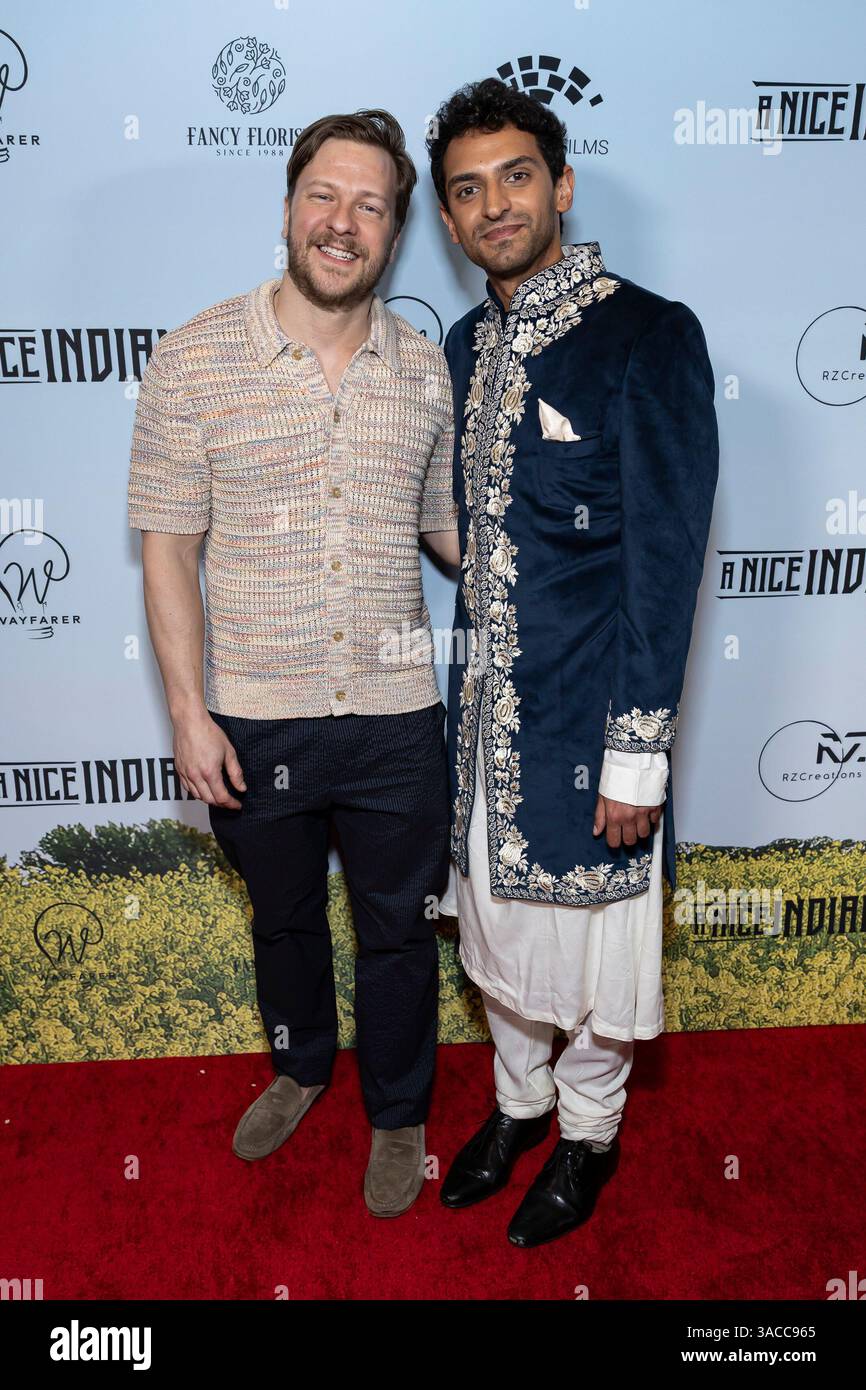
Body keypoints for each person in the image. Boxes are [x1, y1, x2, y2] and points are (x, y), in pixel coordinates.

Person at [127, 110, 460, 1219]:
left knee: (398, 931)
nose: (343, 221)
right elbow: (168, 546)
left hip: (397, 717)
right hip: (255, 720)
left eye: (371, 205)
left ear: (394, 233)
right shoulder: (193, 356)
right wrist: (187, 709)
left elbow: (447, 532)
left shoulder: (425, 372)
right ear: (286, 206)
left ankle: (399, 1112)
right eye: (325, 194)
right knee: (281, 921)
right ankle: (302, 1062)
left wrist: (571, 555)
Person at [427, 78, 719, 1248]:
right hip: (487, 723)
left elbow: (662, 561)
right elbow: (475, 531)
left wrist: (635, 761)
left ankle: (588, 1136)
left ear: (558, 182)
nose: (493, 204)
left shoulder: (648, 335)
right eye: (465, 189)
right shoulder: (460, 345)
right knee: (499, 943)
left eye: (513, 176)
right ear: (445, 221)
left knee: (591, 956)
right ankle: (515, 1107)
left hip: (594, 729)